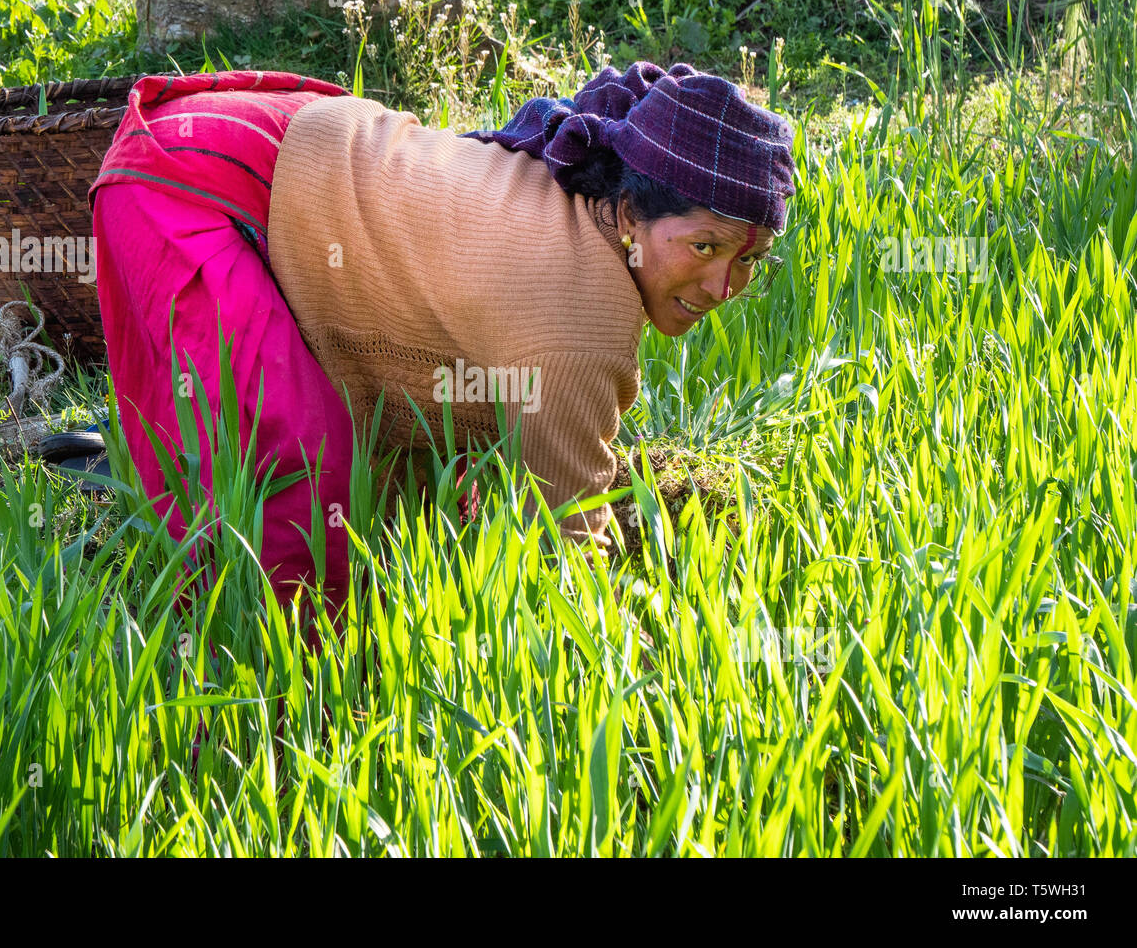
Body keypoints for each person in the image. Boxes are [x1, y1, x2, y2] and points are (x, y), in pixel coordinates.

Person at [86, 62, 796, 634]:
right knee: (300, 472)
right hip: (197, 178)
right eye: (704, 246)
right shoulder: (580, 315)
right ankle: (267, 709)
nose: (723, 285)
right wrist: (622, 673)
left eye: (749, 260)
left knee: (408, 507)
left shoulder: (586, 219)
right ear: (633, 213)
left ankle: (364, 651)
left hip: (289, 146)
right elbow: (571, 542)